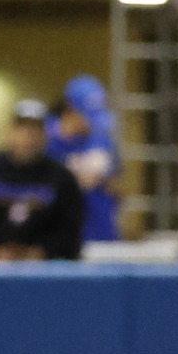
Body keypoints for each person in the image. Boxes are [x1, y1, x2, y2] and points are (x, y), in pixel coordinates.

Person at [0, 99, 85, 261]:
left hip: (46, 272)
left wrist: (41, 252)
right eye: (22, 128)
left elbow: (71, 230)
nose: (28, 136)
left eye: (35, 129)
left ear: (45, 134)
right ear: (10, 131)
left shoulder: (62, 178)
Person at [49, 75, 121, 243]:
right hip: (58, 239)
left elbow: (119, 182)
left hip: (101, 234)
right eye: (88, 115)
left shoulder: (102, 140)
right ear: (70, 107)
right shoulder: (45, 140)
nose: (93, 124)